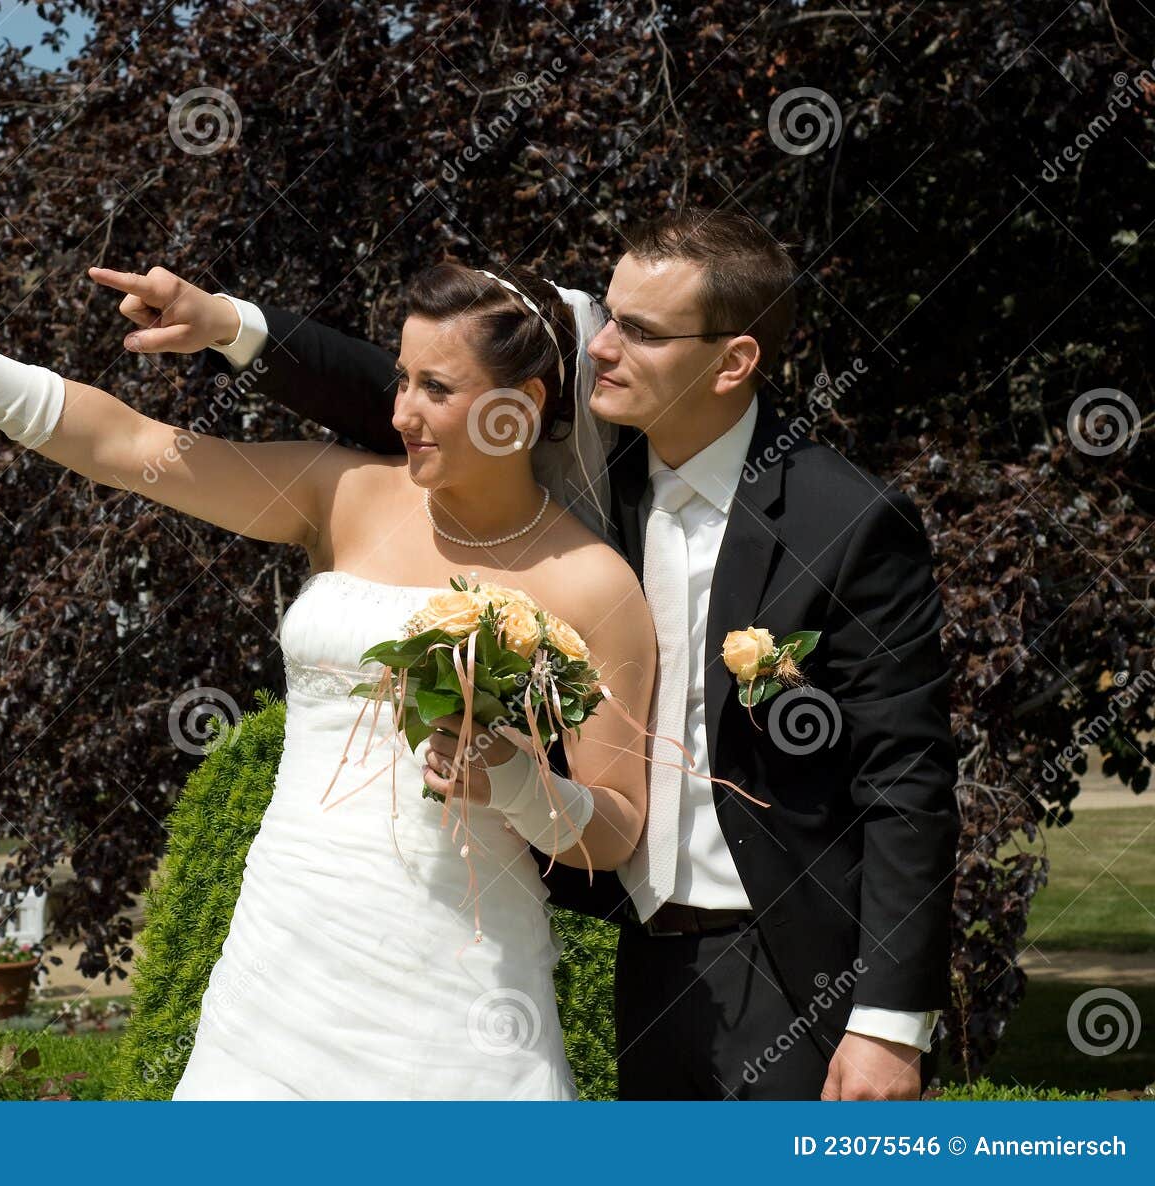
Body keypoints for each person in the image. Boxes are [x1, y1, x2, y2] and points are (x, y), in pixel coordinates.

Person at [92, 204, 960, 1101]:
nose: (602, 347)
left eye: (640, 331)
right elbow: (412, 393)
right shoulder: (590, 463)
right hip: (652, 962)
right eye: (609, 317)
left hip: (792, 963)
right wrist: (226, 324)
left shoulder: (846, 524)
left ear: (733, 361)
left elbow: (908, 780)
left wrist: (890, 1021)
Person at [0, 262, 656, 1100]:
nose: (400, 413)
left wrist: (514, 779)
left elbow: (615, 828)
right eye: (400, 379)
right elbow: (125, 444)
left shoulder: (592, 585)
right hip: (282, 954)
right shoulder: (343, 492)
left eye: (436, 388)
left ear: (521, 405)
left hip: (461, 989)